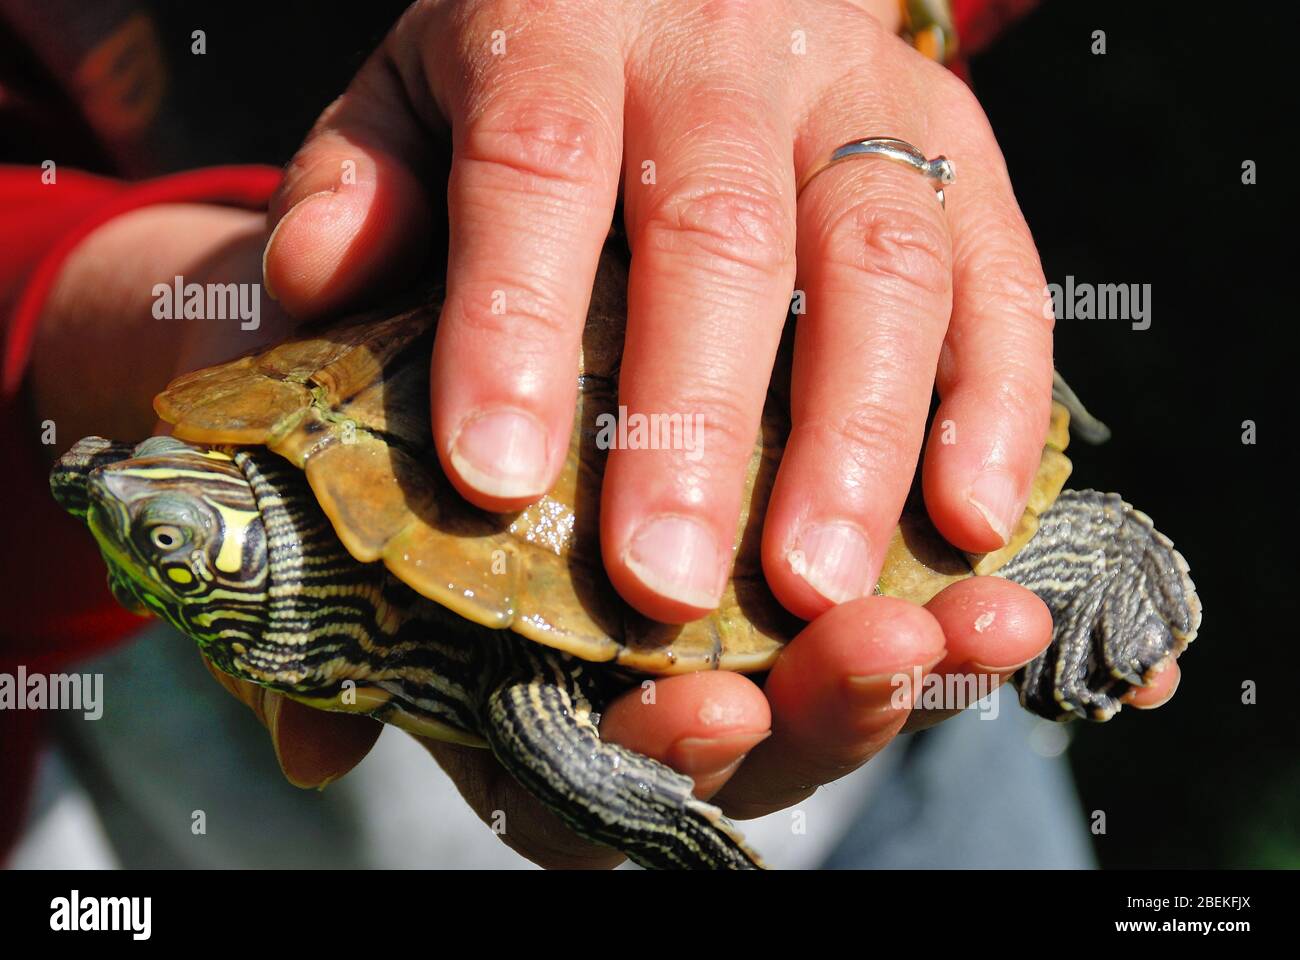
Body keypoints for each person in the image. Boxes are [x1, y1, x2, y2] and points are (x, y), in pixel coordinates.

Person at [1, 0, 1180, 867]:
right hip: (121, 759)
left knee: (934, 623)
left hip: (889, 667)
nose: (141, 500)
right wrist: (120, 331)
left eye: (168, 518)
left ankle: (1080, 543)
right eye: (174, 524)